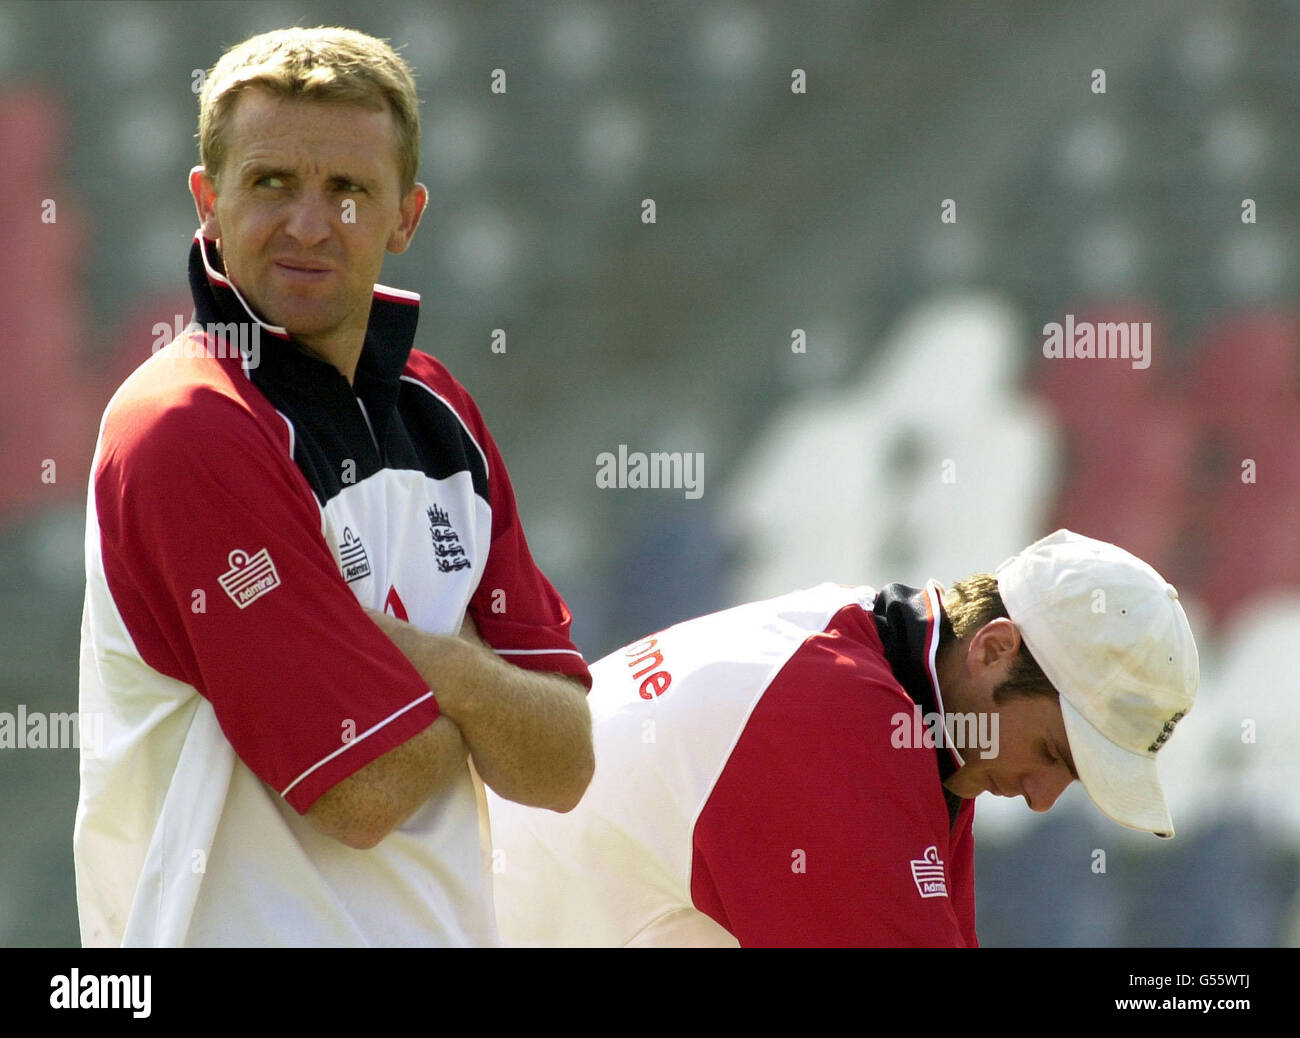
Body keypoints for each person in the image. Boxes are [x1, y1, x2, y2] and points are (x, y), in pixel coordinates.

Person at [74, 27, 593, 947]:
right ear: (208, 201)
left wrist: (427, 663)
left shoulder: (442, 411)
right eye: (272, 182)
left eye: (349, 191)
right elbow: (364, 788)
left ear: (407, 216)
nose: (310, 225)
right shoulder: (185, 424)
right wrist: (484, 688)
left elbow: (563, 760)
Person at [487, 529, 1199, 947]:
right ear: (994, 648)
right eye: (1053, 755)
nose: (1043, 800)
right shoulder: (839, 726)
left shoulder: (902, 690)